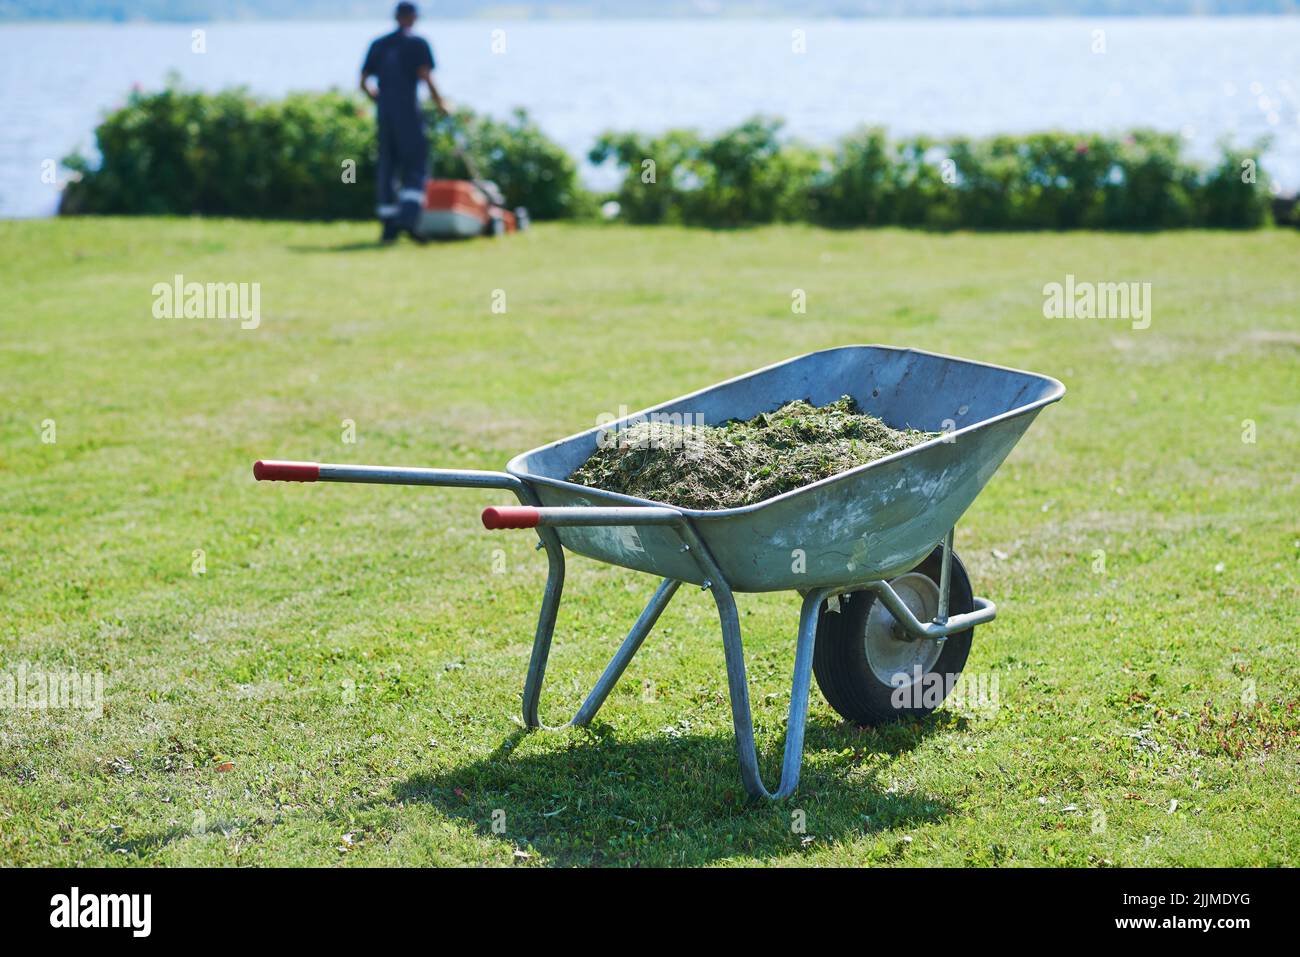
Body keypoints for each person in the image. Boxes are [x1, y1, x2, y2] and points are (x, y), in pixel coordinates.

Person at [361, 2, 447, 243]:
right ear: (412, 18)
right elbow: (425, 77)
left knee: (387, 167)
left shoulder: (378, 44)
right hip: (408, 113)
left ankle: (389, 225)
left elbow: (363, 81)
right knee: (416, 166)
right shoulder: (417, 44)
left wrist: (377, 100)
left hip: (385, 114)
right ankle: (408, 220)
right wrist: (441, 103)